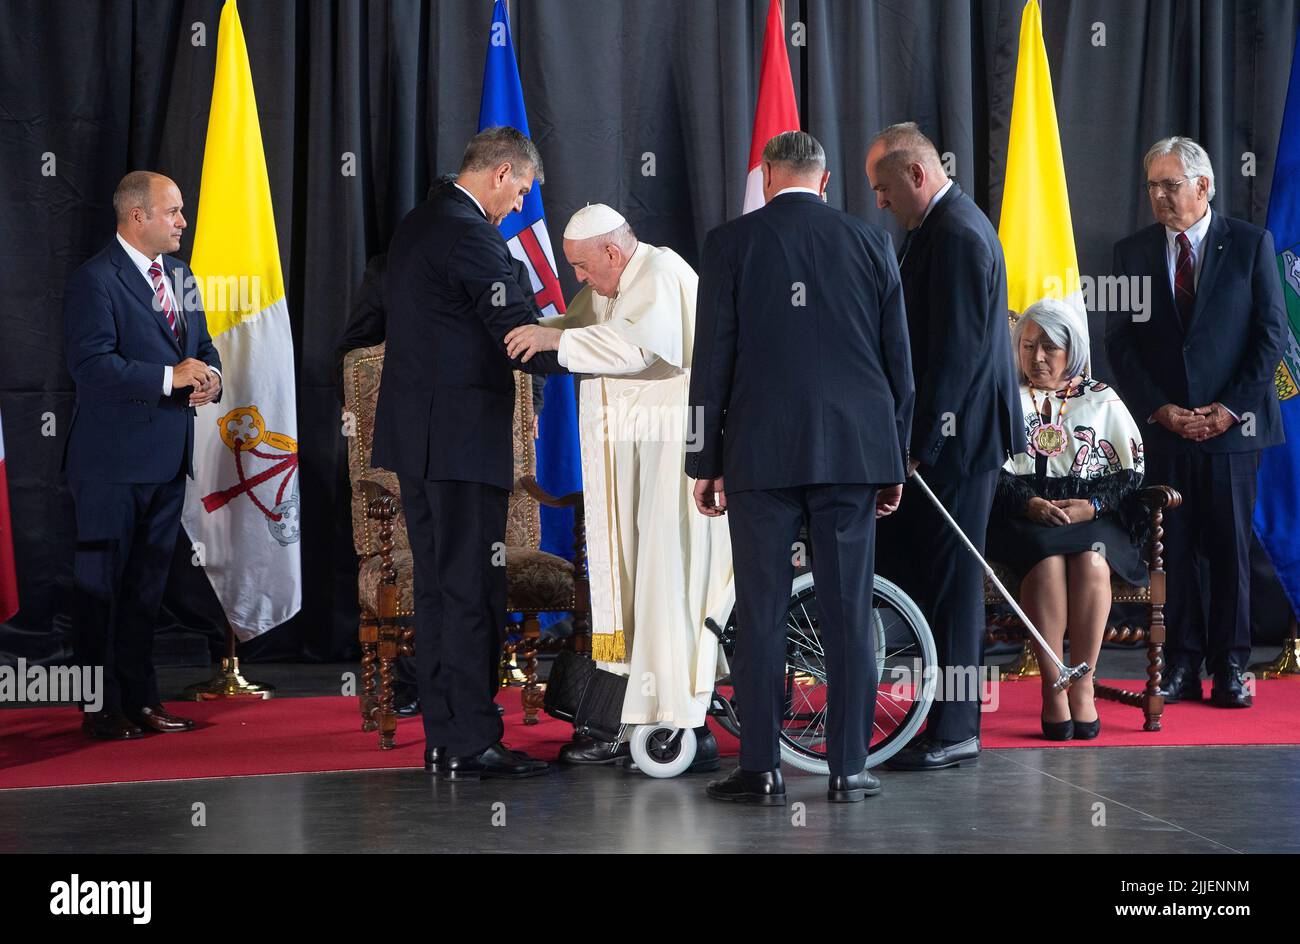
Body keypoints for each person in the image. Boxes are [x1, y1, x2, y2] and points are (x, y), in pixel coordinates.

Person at [688, 131, 914, 805]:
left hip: (759, 455)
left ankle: (761, 770)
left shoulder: (729, 244)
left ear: (765, 177)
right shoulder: (872, 242)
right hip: (853, 455)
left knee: (760, 613)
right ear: (824, 181)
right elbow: (898, 365)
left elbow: (712, 363)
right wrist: (893, 458)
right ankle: (849, 771)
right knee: (849, 612)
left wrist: (705, 460)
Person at [505, 204, 733, 771]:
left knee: (663, 580)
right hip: (630, 464)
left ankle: (673, 714)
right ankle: (629, 715)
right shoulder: (614, 283)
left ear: (612, 251)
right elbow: (578, 327)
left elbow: (634, 349)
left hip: (669, 462)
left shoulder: (660, 272)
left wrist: (550, 337)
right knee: (634, 583)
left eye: (582, 267)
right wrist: (539, 334)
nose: (578, 278)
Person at [371, 127, 567, 780]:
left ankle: (444, 738)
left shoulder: (419, 223)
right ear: (503, 173)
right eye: (522, 195)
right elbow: (516, 331)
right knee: (472, 589)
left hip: (420, 443)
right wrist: (602, 359)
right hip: (457, 443)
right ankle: (474, 741)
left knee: (438, 588)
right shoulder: (467, 232)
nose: (518, 210)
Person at [1107, 136, 1287, 709]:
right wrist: (1159, 409)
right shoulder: (1132, 253)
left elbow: (1270, 336)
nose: (1159, 196)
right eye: (1152, 187)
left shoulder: (1251, 244)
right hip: (1166, 431)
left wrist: (1229, 410)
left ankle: (1231, 666)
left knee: (1231, 551)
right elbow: (1120, 343)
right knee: (1173, 553)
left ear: (1204, 186)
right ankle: (1180, 663)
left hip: (1234, 432)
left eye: (1170, 185)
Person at [864, 122, 1022, 770]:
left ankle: (957, 728)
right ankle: (937, 717)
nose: (878, 202)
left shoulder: (955, 234)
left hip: (958, 447)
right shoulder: (938, 228)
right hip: (952, 443)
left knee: (956, 591)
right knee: (935, 584)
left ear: (917, 176)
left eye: (883, 188)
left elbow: (953, 357)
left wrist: (920, 446)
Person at [63, 171, 222, 739]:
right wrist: (167, 376)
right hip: (109, 465)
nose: (183, 221)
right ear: (138, 217)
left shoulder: (180, 275)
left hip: (165, 460)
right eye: (174, 211)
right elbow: (90, 367)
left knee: (145, 591)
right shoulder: (95, 281)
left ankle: (141, 699)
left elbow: (201, 349)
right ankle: (98, 707)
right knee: (100, 589)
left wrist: (211, 379)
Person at [987, 299, 1146, 740]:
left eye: (1050, 347)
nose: (1037, 357)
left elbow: (1130, 472)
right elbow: (989, 471)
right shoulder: (1003, 397)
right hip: (1024, 516)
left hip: (1092, 514)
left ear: (1071, 349)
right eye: (1028, 345)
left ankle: (1083, 683)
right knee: (1048, 561)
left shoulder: (1101, 397)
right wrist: (1030, 503)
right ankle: (1053, 685)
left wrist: (1092, 506)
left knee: (1092, 560)